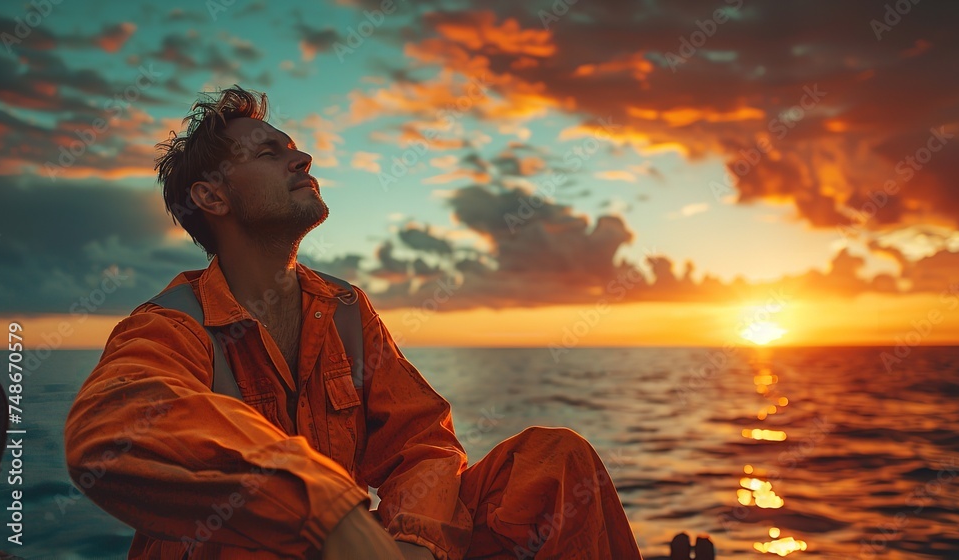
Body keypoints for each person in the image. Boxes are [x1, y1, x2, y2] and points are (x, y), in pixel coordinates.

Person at [64, 85, 643, 559]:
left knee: (556, 463)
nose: (303, 158)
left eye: (293, 148)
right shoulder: (172, 324)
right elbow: (113, 424)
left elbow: (421, 444)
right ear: (212, 198)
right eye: (268, 153)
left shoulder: (344, 311)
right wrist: (324, 509)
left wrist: (416, 540)